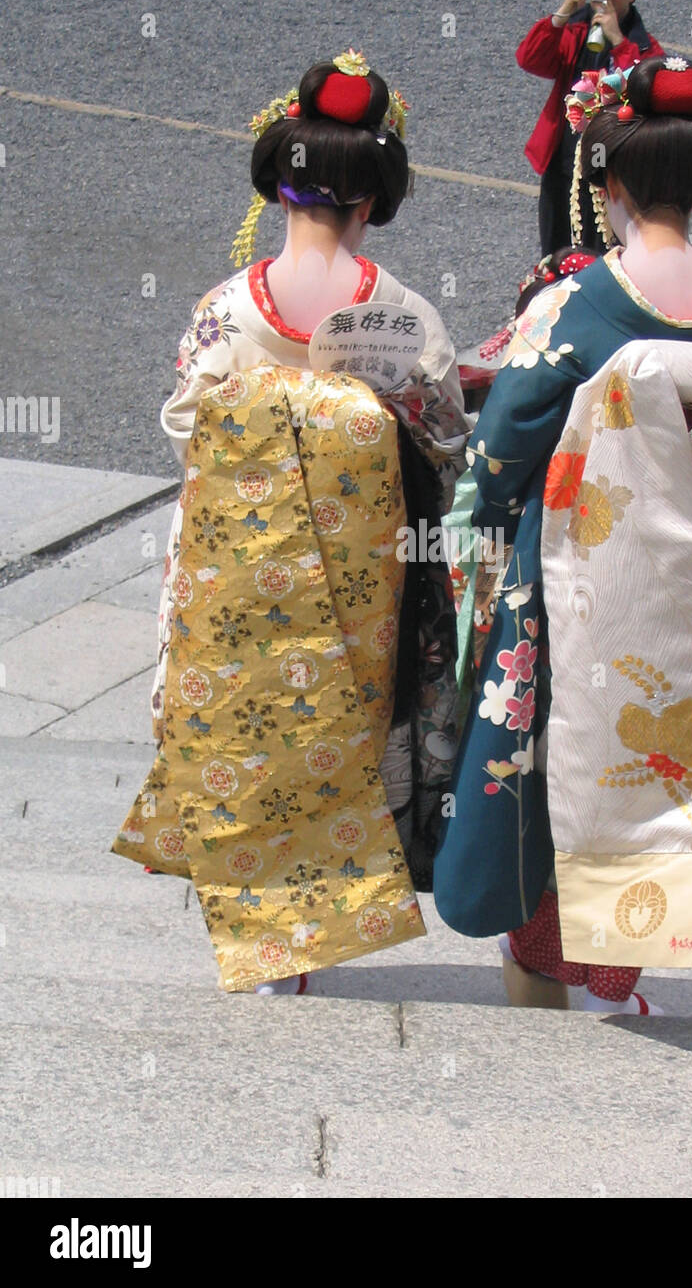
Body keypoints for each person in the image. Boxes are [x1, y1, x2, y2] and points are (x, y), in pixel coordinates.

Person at [434, 55, 692, 1015]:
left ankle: (544, 960)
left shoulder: (575, 302)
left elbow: (497, 456)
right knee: (669, 750)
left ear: (604, 184)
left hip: (582, 577)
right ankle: (622, 956)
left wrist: (468, 552)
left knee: (555, 744)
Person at [112, 51, 470, 995]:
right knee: (346, 723)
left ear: (279, 187)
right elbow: (442, 440)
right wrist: (357, 418)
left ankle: (261, 928)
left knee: (242, 717)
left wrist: (268, 426)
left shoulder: (227, 307)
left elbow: (187, 427)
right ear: (375, 200)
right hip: (363, 568)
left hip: (236, 553)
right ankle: (318, 915)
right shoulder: (400, 315)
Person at [517, 0, 664, 255]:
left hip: (611, 167)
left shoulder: (644, 45)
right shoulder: (575, 28)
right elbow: (529, 59)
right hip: (564, 160)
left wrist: (620, 42)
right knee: (555, 248)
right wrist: (562, 13)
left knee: (602, 248)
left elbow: (646, 89)